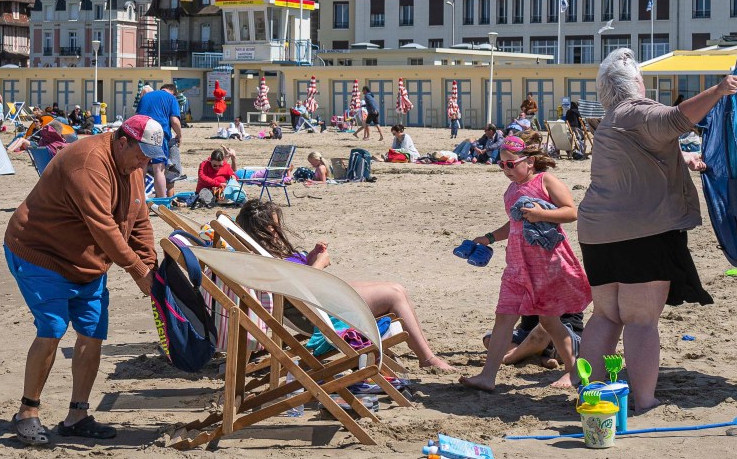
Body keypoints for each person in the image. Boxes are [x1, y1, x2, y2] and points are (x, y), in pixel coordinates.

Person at [576, 48, 737, 413]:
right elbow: (679, 118)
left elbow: (638, 155)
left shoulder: (611, 120)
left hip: (596, 232)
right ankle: (646, 399)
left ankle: (593, 392)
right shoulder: (638, 111)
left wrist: (682, 158)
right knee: (640, 319)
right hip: (642, 230)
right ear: (635, 83)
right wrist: (718, 90)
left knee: (605, 315)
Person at [5, 115, 162, 445]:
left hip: (88, 262)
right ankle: (27, 413)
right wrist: (137, 270)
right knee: (52, 327)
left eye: (150, 156)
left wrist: (149, 263)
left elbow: (140, 219)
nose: (144, 162)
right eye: (141, 153)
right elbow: (103, 227)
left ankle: (77, 415)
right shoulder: (87, 161)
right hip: (41, 252)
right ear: (122, 142)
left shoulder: (134, 167)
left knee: (92, 333)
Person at [234, 200, 455, 371]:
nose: (278, 230)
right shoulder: (265, 259)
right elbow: (295, 289)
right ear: (266, 229)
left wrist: (310, 258)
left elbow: (295, 280)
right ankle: (427, 358)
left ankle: (427, 355)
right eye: (275, 226)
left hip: (319, 299)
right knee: (395, 295)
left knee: (397, 288)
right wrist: (319, 264)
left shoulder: (261, 253)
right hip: (316, 311)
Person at [459, 132, 591, 391]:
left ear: (529, 162)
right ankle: (488, 376)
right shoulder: (510, 191)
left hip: (546, 263)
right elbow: (514, 223)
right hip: (518, 264)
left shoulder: (546, 180)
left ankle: (573, 372)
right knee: (503, 317)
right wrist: (489, 238)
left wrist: (540, 213)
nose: (506, 169)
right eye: (501, 164)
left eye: (511, 163)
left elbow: (572, 212)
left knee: (550, 321)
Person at [482, 312, 584, 371]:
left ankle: (509, 358)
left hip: (564, 334)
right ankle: (537, 357)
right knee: (490, 338)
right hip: (528, 333)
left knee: (545, 327)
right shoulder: (530, 278)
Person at [136, 83, 182, 199]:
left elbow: (136, 116)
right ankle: (162, 201)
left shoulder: (146, 96)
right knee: (158, 169)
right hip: (158, 133)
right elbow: (174, 121)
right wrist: (179, 135)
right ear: (173, 92)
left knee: (142, 166)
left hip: (142, 132)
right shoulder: (171, 98)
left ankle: (139, 199)